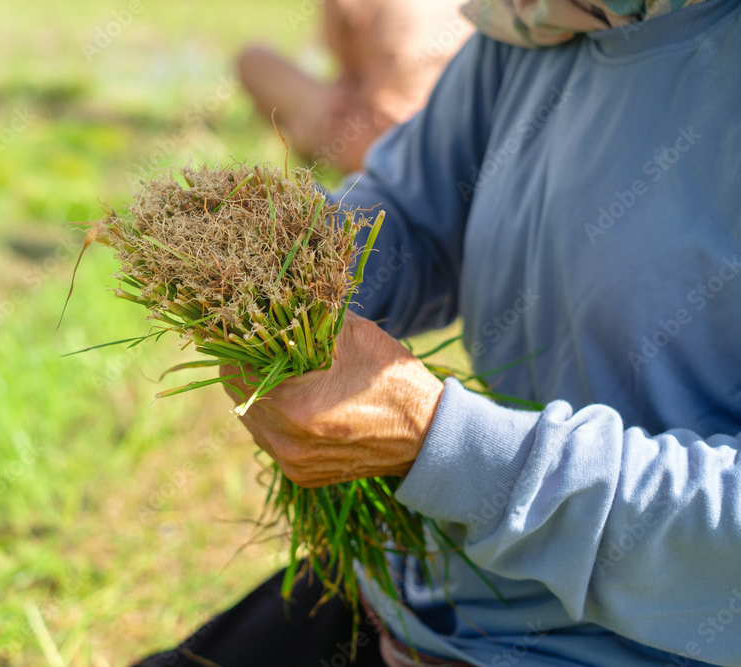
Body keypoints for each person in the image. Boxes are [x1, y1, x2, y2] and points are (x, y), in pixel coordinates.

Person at [135, 0, 741, 665]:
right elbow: (417, 212)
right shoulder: (547, 19)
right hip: (438, 584)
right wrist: (284, 267)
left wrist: (446, 446)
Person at [237, 0, 471, 174]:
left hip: (390, 145)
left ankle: (309, 138)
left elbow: (356, 85)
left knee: (252, 60)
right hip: (458, 141)